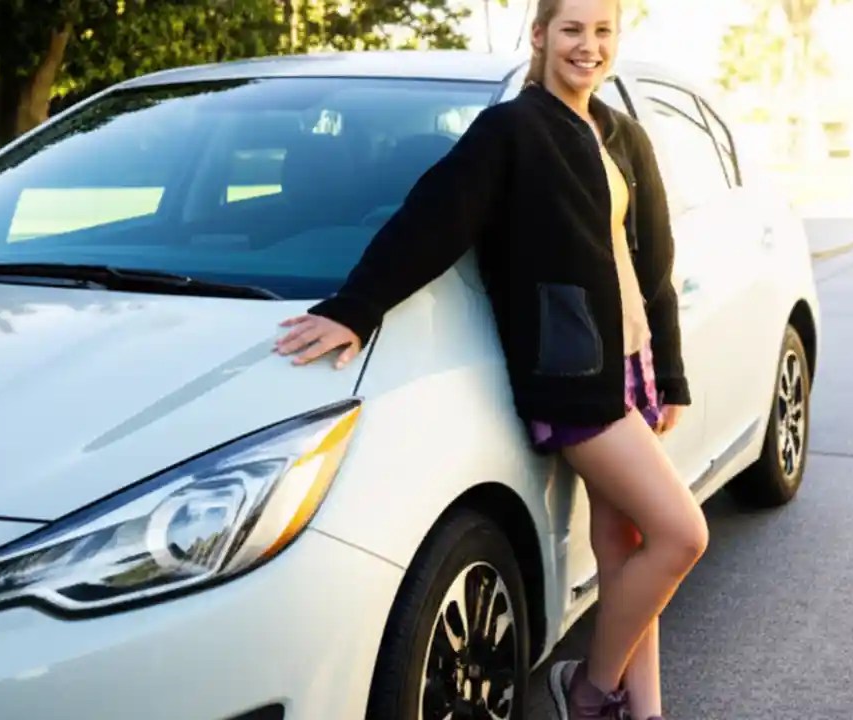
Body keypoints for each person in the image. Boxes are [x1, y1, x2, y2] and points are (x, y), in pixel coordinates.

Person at [273, 0, 709, 717]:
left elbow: (655, 265)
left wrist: (673, 373)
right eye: (572, 30)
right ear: (538, 36)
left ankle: (645, 708)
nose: (588, 47)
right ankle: (590, 689)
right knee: (681, 533)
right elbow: (435, 215)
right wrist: (355, 307)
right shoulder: (512, 129)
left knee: (626, 541)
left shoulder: (623, 134)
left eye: (603, 32)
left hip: (630, 365)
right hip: (571, 373)